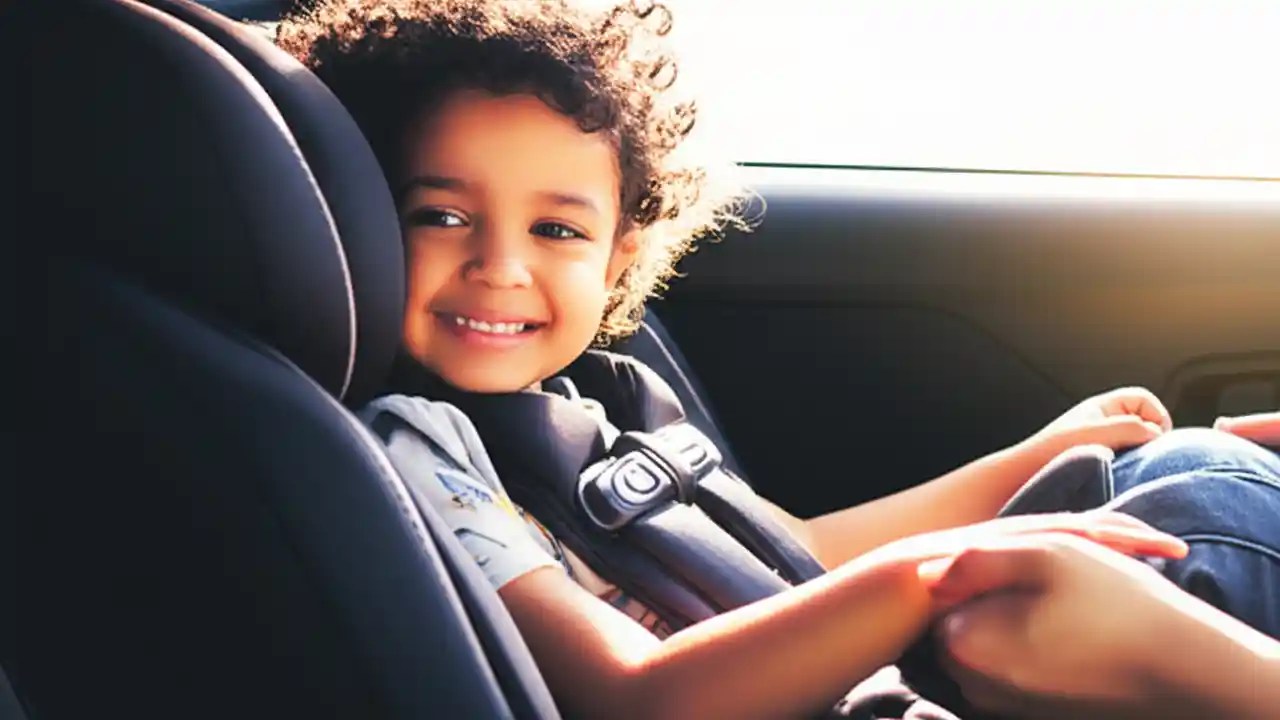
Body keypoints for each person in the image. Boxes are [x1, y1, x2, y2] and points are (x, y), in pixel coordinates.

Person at [275, 2, 1280, 717]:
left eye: (556, 231)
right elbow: (638, 698)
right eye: (441, 217)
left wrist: (1032, 456)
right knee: (1206, 525)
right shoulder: (417, 454)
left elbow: (787, 551)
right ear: (356, 226)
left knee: (1190, 473)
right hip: (866, 693)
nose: (500, 267)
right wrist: (926, 580)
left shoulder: (599, 400)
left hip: (871, 669)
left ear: (619, 254)